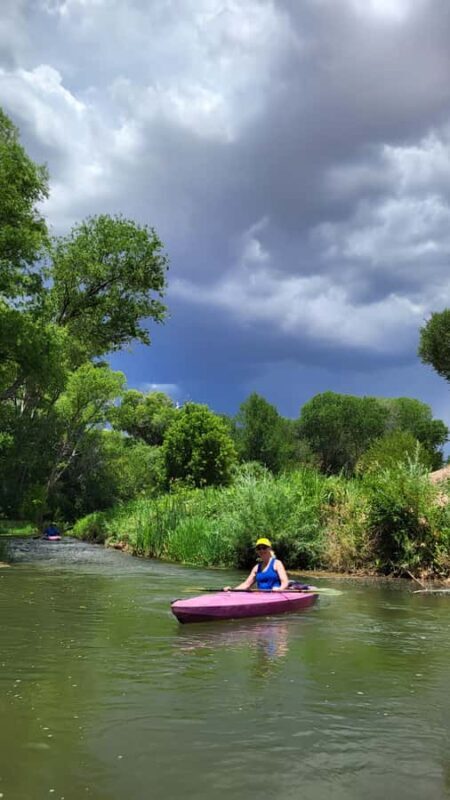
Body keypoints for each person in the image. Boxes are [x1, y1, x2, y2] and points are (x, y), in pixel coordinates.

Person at [224, 537, 289, 592]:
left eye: (264, 547)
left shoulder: (277, 564)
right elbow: (246, 584)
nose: (261, 550)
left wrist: (280, 589)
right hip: (261, 596)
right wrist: (232, 590)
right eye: (259, 548)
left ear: (269, 549)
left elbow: (285, 582)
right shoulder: (256, 568)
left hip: (276, 595)